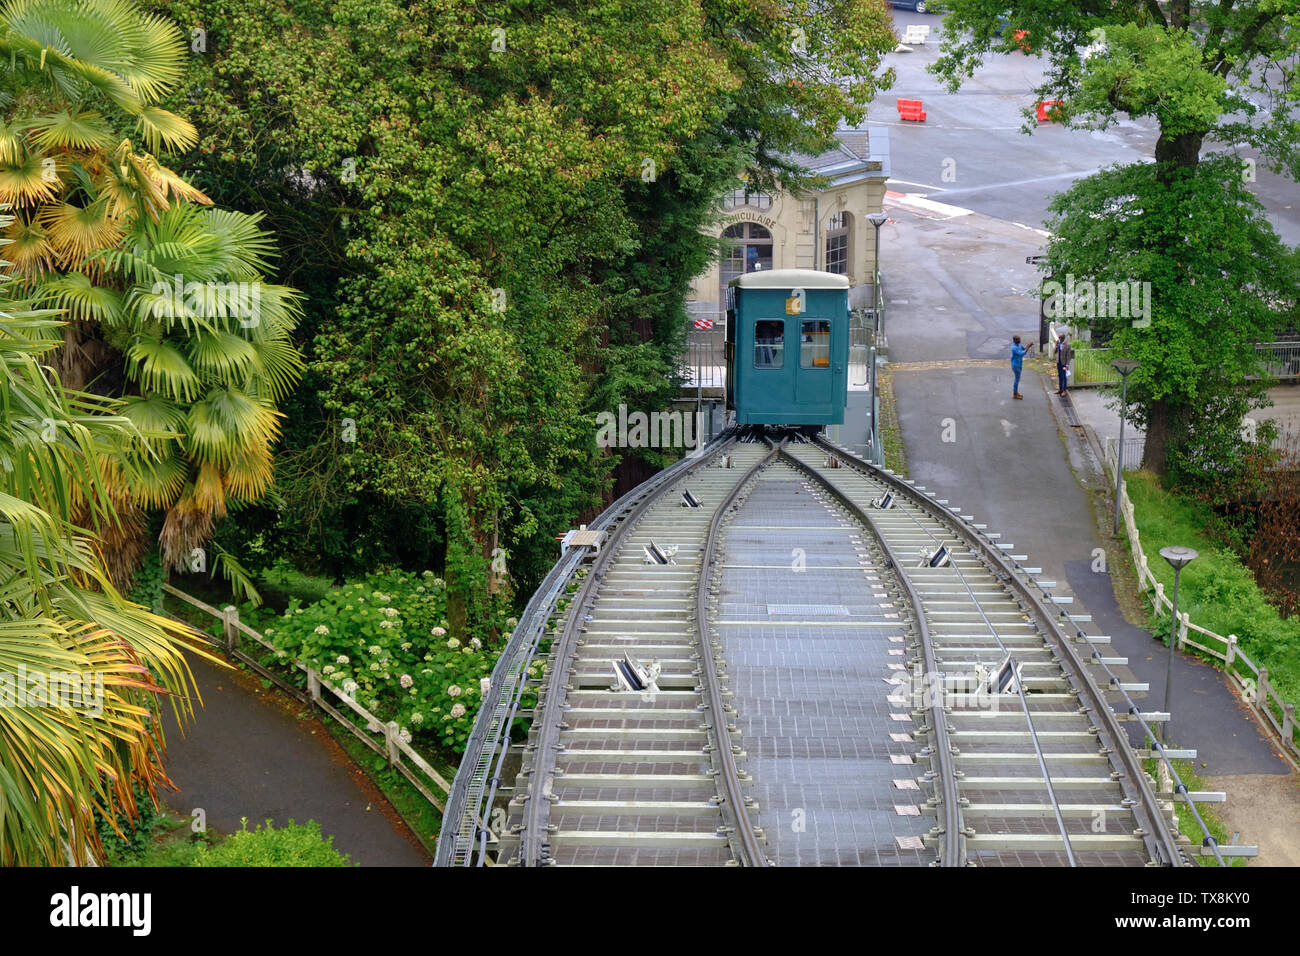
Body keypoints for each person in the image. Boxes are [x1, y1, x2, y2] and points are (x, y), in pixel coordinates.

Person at [1010, 335, 1033, 399]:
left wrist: (1028, 346)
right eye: (1018, 340)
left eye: (1019, 339)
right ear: (1014, 340)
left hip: (1019, 363)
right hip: (1016, 365)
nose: (1019, 341)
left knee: (1017, 379)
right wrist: (1028, 347)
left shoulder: (1018, 345)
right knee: (1017, 379)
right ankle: (1015, 393)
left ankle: (1015, 392)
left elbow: (1024, 348)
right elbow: (1022, 353)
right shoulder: (1014, 348)